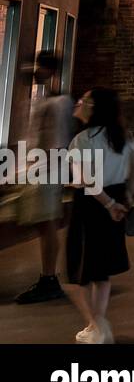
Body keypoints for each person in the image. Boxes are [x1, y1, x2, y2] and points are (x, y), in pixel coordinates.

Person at [65, 88, 134, 344]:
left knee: (77, 274)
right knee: (102, 271)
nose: (79, 103)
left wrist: (108, 204)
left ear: (93, 108)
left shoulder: (82, 139)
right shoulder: (122, 137)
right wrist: (125, 199)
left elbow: (86, 179)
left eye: (84, 100)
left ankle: (97, 325)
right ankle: (97, 324)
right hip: (116, 202)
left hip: (90, 206)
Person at [15, 51, 76, 305]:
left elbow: (56, 141)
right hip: (41, 167)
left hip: (47, 169)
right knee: (43, 223)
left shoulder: (58, 102)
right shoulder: (46, 97)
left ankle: (49, 277)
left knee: (48, 223)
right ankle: (48, 275)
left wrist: (37, 168)